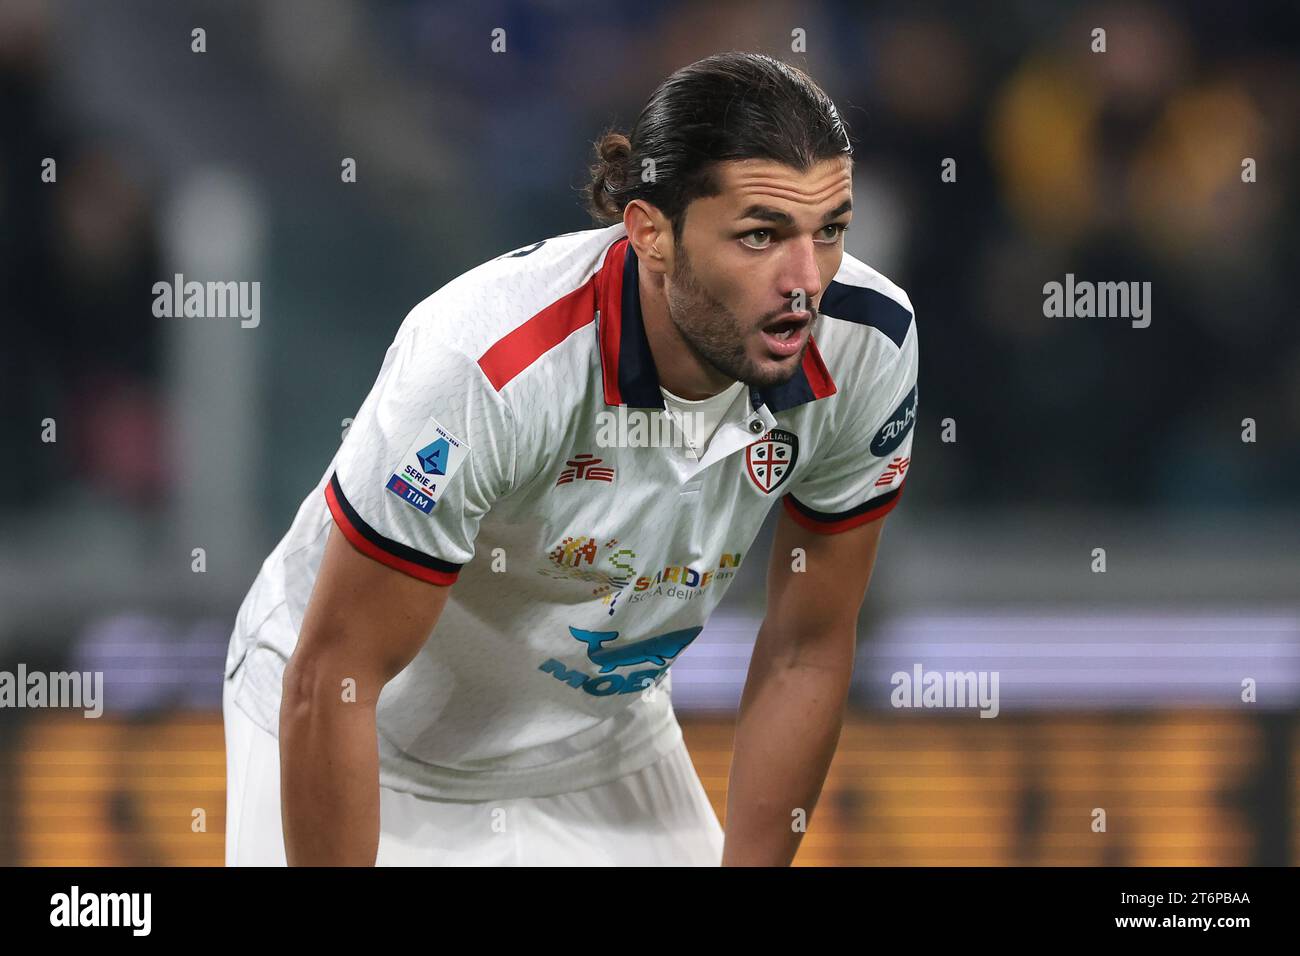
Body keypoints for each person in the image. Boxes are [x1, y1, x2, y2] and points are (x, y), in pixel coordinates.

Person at [223, 51, 919, 866]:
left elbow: (809, 646)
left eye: (829, 230)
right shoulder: (485, 368)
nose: (806, 284)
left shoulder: (869, 342)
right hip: (361, 735)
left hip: (600, 748)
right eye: (760, 235)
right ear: (651, 233)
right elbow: (335, 677)